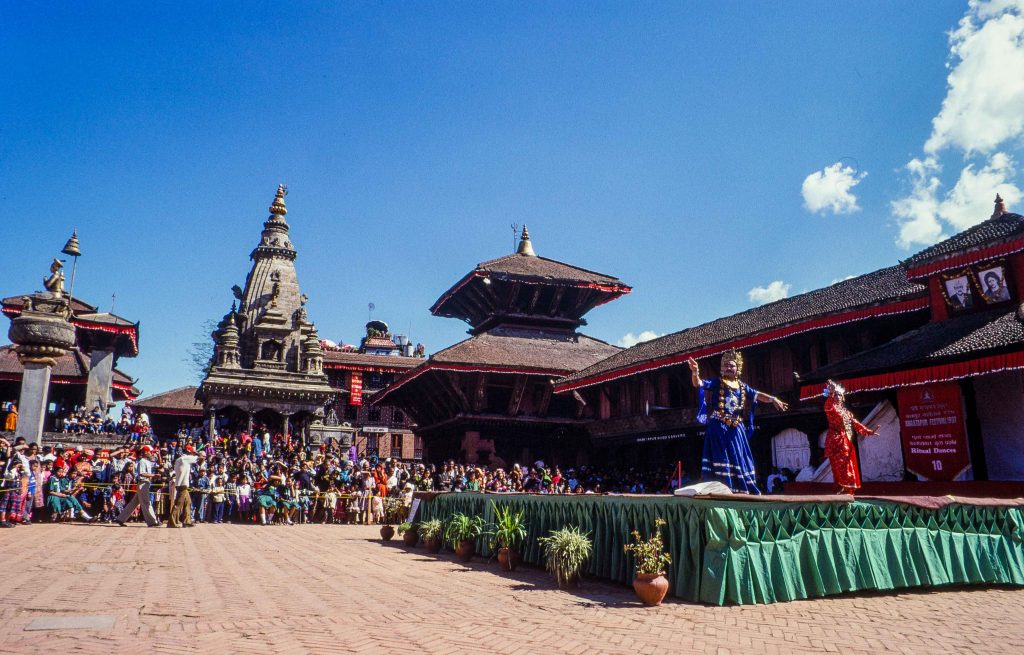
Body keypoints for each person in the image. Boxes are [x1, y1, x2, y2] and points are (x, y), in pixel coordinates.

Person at [686, 350, 788, 494]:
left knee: (739, 456)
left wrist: (773, 399)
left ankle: (739, 488)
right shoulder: (717, 383)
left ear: (738, 368)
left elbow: (758, 395)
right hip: (719, 427)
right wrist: (695, 372)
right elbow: (698, 384)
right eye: (725, 365)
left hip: (736, 428)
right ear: (722, 368)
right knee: (722, 456)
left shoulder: (742, 387)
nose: (728, 367)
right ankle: (721, 488)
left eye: (731, 365)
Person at [822, 380, 877, 494]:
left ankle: (848, 487)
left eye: (839, 395)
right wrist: (831, 392)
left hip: (846, 440)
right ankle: (842, 487)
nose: (837, 396)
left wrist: (868, 431)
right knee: (839, 465)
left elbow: (855, 423)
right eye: (835, 395)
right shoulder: (831, 408)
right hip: (835, 439)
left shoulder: (846, 412)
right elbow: (828, 405)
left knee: (848, 463)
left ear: (843, 398)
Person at [116, 446, 161, 527]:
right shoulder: (142, 461)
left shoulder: (147, 461)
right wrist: (153, 475)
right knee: (146, 502)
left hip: (145, 483)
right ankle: (152, 521)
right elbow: (142, 473)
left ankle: (120, 518)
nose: (151, 453)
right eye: (150, 452)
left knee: (134, 503)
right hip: (143, 483)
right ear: (146, 452)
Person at [168, 445, 198, 528]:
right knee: (179, 504)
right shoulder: (185, 458)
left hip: (180, 483)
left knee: (188, 502)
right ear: (189, 451)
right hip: (183, 484)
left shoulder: (178, 459)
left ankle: (186, 521)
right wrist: (196, 452)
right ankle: (172, 522)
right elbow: (199, 458)